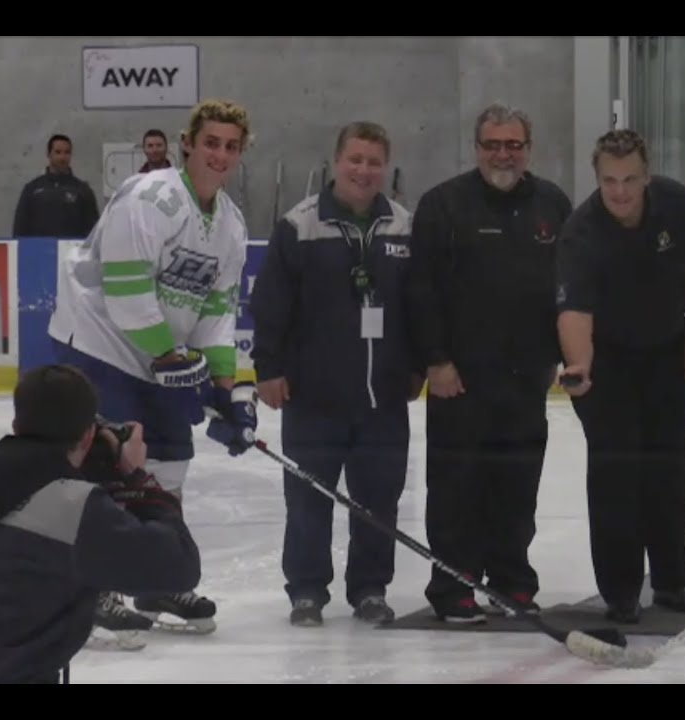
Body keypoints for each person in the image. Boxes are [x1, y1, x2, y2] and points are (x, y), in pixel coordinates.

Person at [46, 98, 259, 638]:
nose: (220, 154)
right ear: (188, 143)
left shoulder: (230, 224)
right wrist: (173, 361)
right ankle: (95, 590)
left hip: (161, 355)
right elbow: (126, 291)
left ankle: (156, 579)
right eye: (211, 142)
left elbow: (216, 312)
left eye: (231, 146)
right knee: (109, 459)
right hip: (101, 342)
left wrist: (227, 389)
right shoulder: (150, 197)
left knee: (171, 459)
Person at [250, 121, 423, 627]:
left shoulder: (405, 228)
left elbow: (421, 307)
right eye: (355, 159)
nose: (364, 170)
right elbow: (271, 306)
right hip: (313, 399)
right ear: (336, 160)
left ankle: (370, 589)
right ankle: (307, 590)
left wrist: (416, 366)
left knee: (379, 503)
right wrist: (268, 369)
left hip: (384, 401)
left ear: (385, 167)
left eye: (374, 161)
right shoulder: (299, 226)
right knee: (308, 501)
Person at [408, 103, 572, 623]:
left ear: (528, 148)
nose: (504, 153)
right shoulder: (443, 205)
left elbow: (568, 289)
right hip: (460, 380)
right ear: (477, 148)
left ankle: (511, 583)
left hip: (526, 378)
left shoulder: (552, 204)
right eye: (493, 144)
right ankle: (453, 588)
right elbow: (421, 291)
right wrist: (435, 359)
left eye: (514, 144)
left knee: (516, 487)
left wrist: (563, 357)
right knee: (456, 488)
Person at [555, 128, 685, 624]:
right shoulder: (582, 232)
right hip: (609, 365)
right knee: (617, 475)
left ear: (647, 175)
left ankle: (672, 582)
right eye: (609, 181)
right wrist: (578, 365)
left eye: (629, 179)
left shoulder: (674, 204)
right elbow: (573, 310)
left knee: (669, 470)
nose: (620, 192)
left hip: (668, 352)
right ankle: (621, 590)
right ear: (597, 178)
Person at [0, 364, 202, 684]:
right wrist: (137, 480)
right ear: (89, 434)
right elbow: (180, 565)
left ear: (16, 425)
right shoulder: (76, 511)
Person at [12, 133, 101, 239]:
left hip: (71, 252)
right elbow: (20, 229)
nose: (62, 157)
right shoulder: (32, 189)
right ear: (49, 154)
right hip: (38, 252)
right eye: (58, 152)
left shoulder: (82, 190)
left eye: (67, 152)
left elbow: (93, 231)